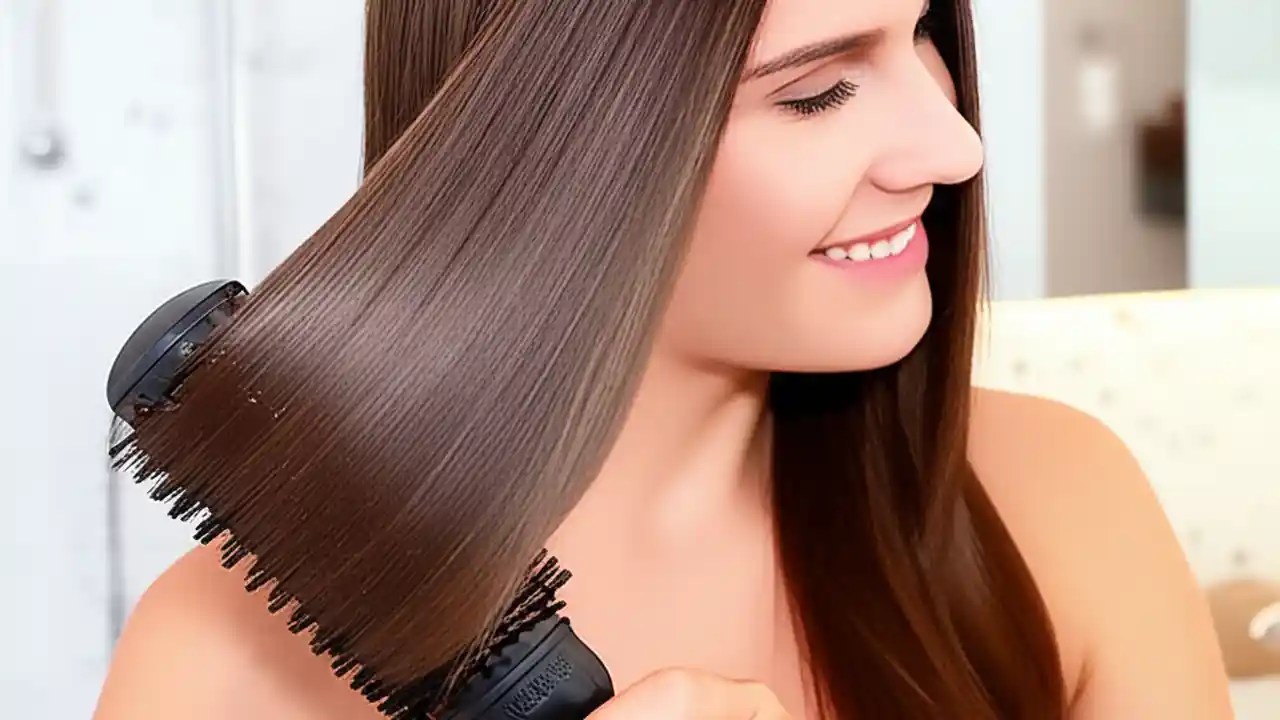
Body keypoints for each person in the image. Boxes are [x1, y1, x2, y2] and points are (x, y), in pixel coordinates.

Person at [94, 0, 1232, 717]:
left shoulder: (1056, 502)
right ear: (542, 148)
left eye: (926, 31)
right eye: (816, 91)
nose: (954, 145)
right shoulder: (219, 666)